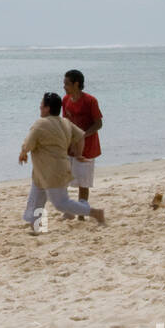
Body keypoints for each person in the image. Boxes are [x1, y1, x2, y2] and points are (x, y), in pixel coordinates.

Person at [20, 93, 106, 228]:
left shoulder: (40, 124)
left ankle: (95, 212)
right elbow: (80, 136)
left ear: (47, 108)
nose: (40, 107)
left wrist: (23, 152)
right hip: (44, 170)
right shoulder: (65, 122)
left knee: (61, 203)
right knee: (37, 197)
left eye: (42, 105)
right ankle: (36, 225)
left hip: (52, 171)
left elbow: (28, 143)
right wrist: (78, 153)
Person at [62, 69, 103, 218]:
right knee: (64, 178)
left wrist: (82, 136)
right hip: (70, 145)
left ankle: (81, 213)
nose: (64, 87)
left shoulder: (90, 100)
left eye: (66, 83)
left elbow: (98, 124)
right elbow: (65, 122)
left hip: (88, 146)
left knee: (83, 181)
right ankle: (67, 209)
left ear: (76, 84)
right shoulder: (65, 100)